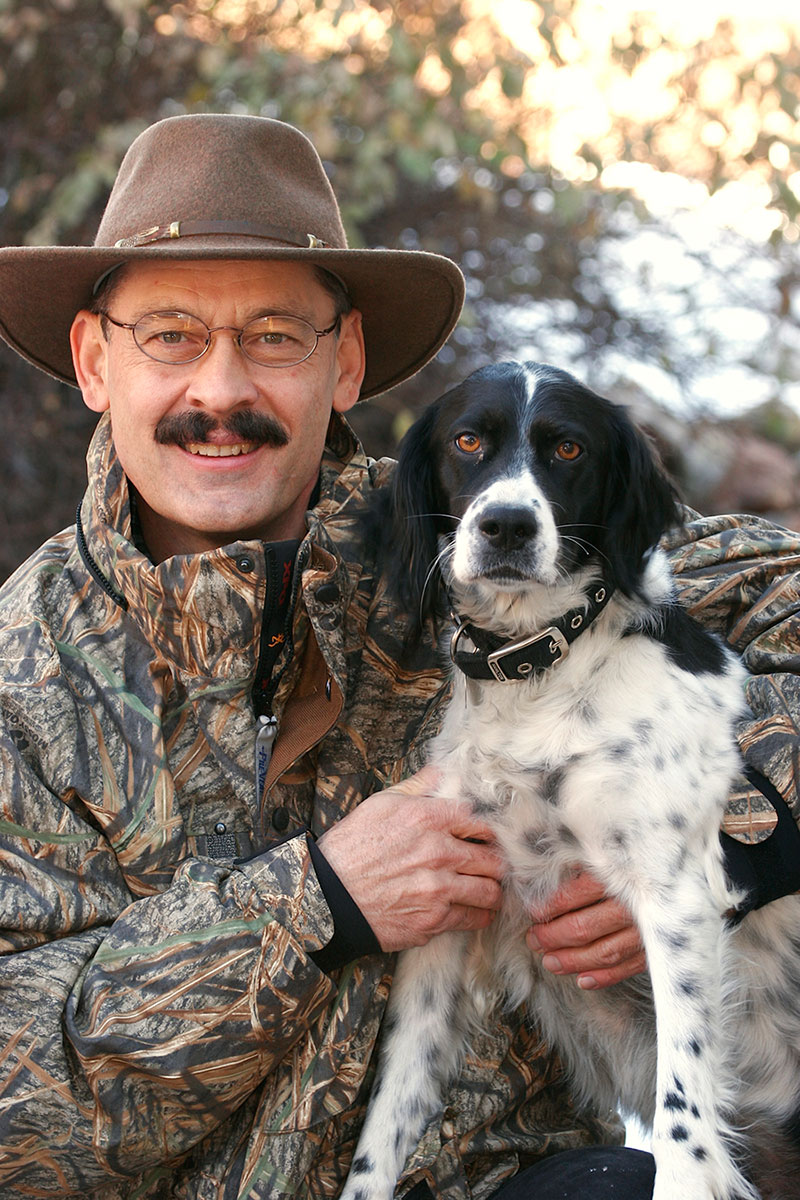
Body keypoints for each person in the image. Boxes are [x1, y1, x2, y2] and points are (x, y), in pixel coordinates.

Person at [0, 113, 797, 1200]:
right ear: (95, 360)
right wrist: (315, 901)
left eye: (275, 336)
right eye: (171, 334)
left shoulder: (478, 533)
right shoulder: (22, 674)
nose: (222, 390)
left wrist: (728, 837)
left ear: (346, 362)